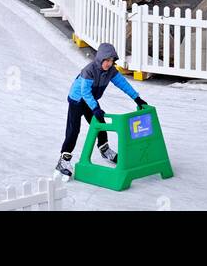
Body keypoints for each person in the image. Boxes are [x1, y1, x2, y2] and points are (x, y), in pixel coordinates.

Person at [54, 42, 147, 179]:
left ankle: (105, 150)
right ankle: (63, 161)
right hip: (77, 100)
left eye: (111, 61)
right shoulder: (89, 70)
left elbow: (123, 84)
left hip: (90, 100)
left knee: (100, 123)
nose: (109, 63)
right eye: (107, 60)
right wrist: (96, 108)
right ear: (100, 58)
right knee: (74, 130)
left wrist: (136, 98)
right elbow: (85, 93)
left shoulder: (111, 72)